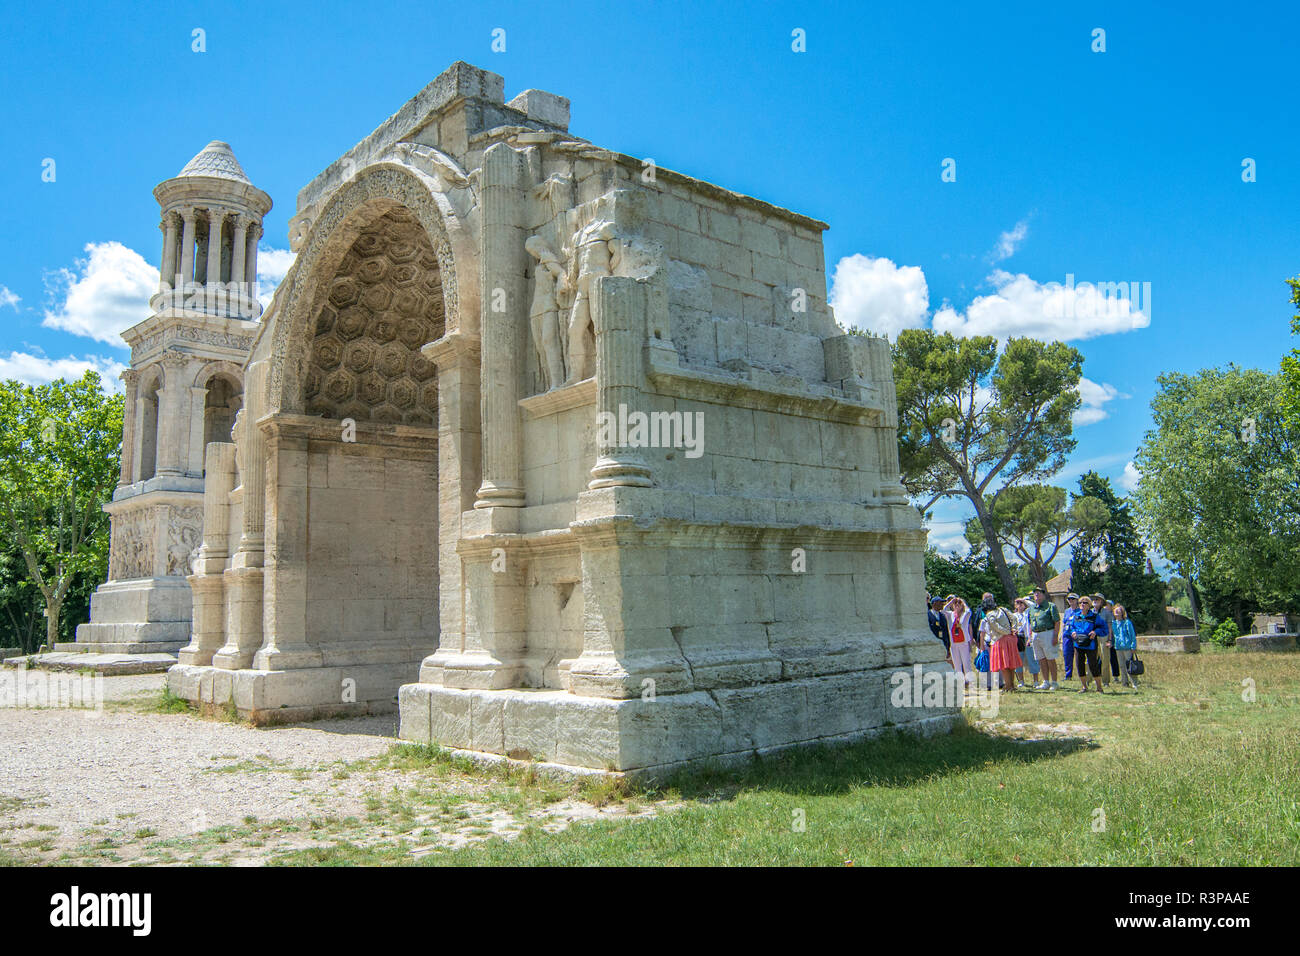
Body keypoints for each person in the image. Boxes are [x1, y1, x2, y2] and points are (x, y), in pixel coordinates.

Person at [981, 595, 1022, 693]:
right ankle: (1011, 685)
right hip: (1011, 638)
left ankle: (1008, 686)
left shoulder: (990, 614)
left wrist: (1006, 631)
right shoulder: (1003, 609)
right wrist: (1013, 629)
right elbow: (1014, 618)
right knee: (1011, 664)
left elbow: (996, 627)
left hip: (1000, 640)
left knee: (1004, 664)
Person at [1068, 595, 1107, 693]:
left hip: (1090, 644)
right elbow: (1071, 626)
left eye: (1085, 603)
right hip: (1078, 644)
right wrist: (1072, 632)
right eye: (1080, 602)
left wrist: (1095, 632)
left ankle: (1099, 687)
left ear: (1089, 605)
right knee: (1079, 664)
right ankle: (1084, 687)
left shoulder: (1094, 617)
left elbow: (1103, 628)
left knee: (1093, 665)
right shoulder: (1076, 616)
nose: (1082, 604)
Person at [1027, 586, 1061, 690]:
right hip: (1036, 634)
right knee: (1041, 659)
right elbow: (1030, 623)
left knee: (1050, 658)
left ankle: (1054, 682)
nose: (1036, 595)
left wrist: (1055, 636)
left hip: (1047, 632)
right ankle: (1045, 681)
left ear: (1043, 594)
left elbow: (1057, 622)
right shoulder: (1032, 609)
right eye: (1035, 593)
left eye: (1039, 593)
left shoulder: (1050, 606)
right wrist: (1030, 637)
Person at [943, 595, 974, 686]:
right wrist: (951, 602)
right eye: (955, 604)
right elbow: (944, 609)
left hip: (963, 642)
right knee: (957, 664)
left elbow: (969, 611)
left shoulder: (965, 614)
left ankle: (969, 682)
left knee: (966, 663)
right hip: (954, 643)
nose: (957, 605)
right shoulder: (951, 614)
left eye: (959, 604)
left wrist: (962, 602)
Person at [1109, 603, 1140, 690]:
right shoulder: (1114, 623)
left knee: (1130, 665)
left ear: (1122, 613)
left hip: (1127, 647)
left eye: (1119, 612)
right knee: (1122, 665)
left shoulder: (1127, 622)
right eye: (1116, 612)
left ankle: (1134, 682)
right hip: (1118, 647)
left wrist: (1133, 646)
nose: (1117, 613)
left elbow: (1132, 635)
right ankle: (1124, 682)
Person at [1013, 596, 1037, 689]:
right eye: (1017, 603)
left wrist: (1024, 600)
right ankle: (1021, 681)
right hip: (1018, 638)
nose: (1019, 605)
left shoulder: (1028, 613)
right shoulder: (1014, 615)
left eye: (1021, 603)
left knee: (1032, 659)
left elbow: (1033, 605)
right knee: (1019, 660)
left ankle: (1035, 681)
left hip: (1027, 637)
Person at [1094, 594, 1119, 686]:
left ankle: (1105, 681)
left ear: (1101, 602)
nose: (1095, 601)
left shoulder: (1107, 613)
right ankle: (1093, 678)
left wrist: (1110, 640)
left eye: (1097, 599)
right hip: (1093, 637)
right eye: (1094, 599)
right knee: (1092, 659)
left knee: (1105, 659)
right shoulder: (1090, 612)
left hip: (1104, 637)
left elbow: (1109, 627)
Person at [1062, 593, 1080, 680]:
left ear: (1077, 600)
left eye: (1073, 599)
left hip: (1076, 635)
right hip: (1067, 635)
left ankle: (1081, 674)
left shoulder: (1080, 611)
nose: (1071, 601)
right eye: (1069, 599)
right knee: (1067, 655)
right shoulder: (1067, 611)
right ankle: (1068, 675)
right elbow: (1064, 623)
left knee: (1078, 655)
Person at [928, 596, 951, 662]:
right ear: (934, 603)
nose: (942, 605)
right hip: (932, 644)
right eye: (940, 603)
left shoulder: (942, 616)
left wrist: (948, 646)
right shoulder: (928, 615)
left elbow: (946, 631)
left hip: (943, 644)